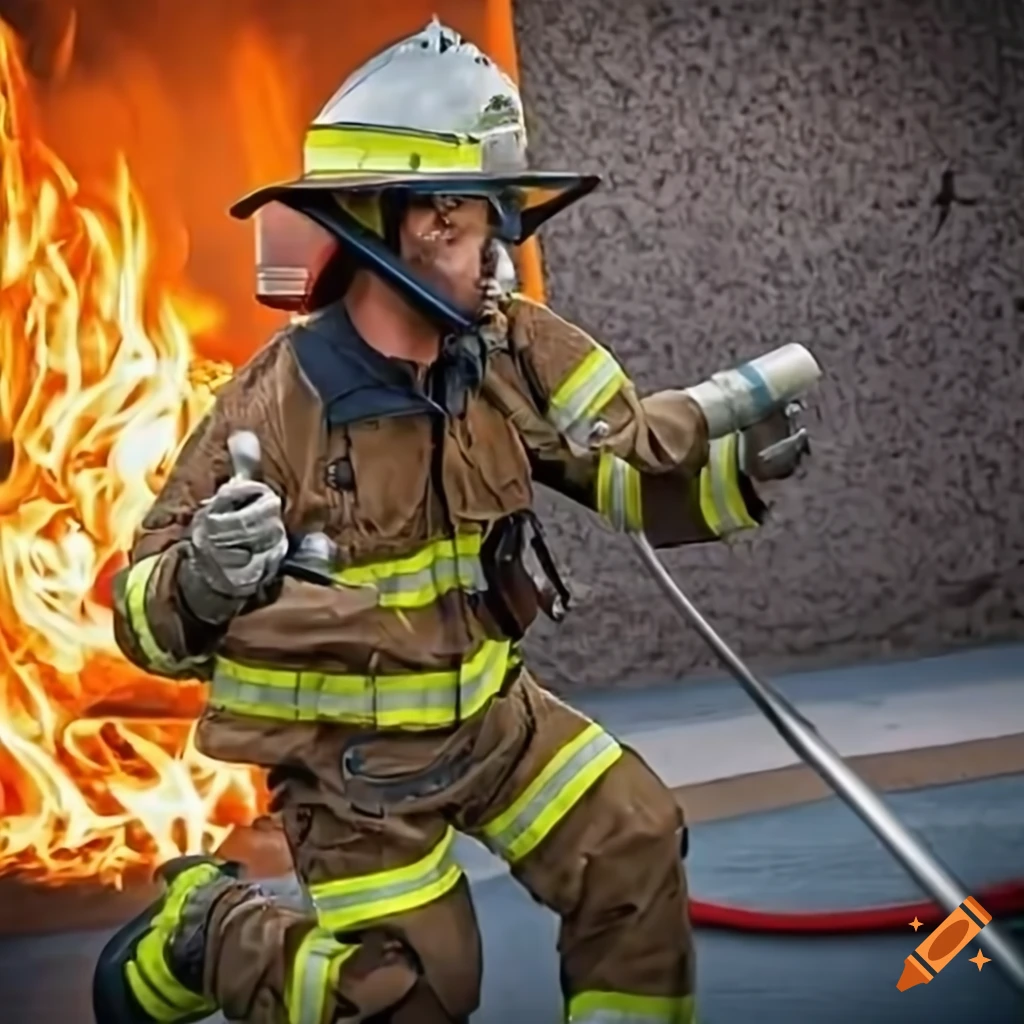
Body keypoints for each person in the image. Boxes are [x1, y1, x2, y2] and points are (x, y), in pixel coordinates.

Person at [93, 19, 811, 1024]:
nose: (506, 256)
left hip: (494, 720)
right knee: (415, 996)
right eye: (485, 224)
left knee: (634, 839)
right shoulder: (273, 408)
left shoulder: (501, 357)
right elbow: (142, 615)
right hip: (355, 771)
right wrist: (209, 576)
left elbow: (613, 469)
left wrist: (737, 467)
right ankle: (216, 930)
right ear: (422, 223)